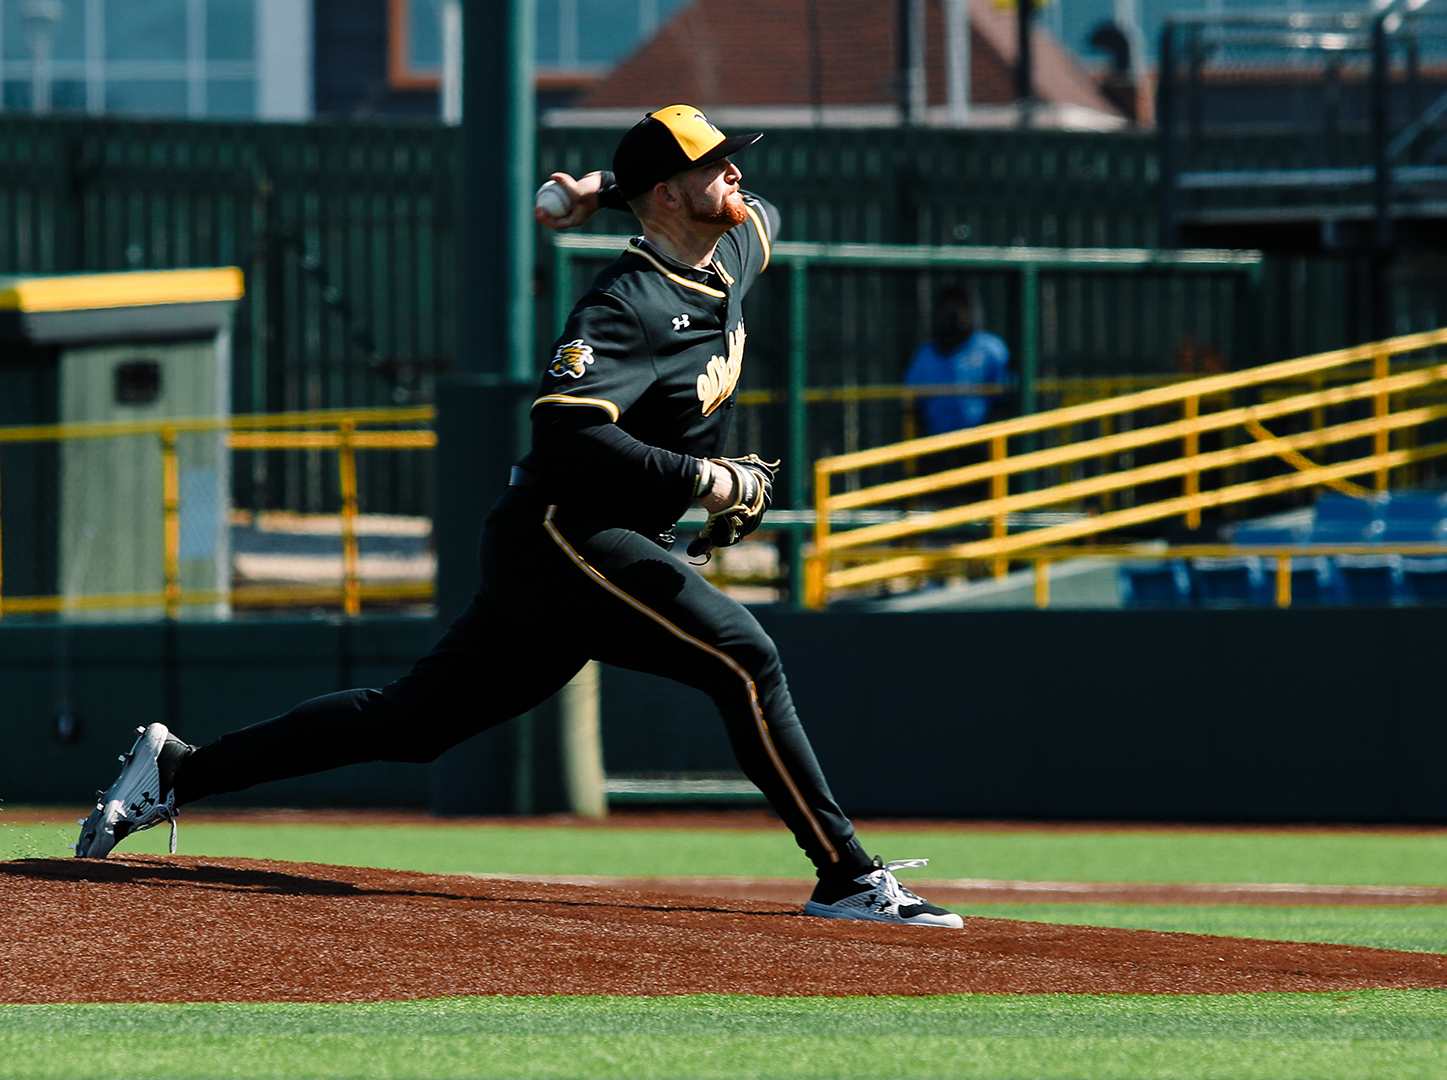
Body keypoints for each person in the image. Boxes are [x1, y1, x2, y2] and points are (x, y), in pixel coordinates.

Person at [73, 105, 963, 929]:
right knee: (745, 657)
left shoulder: (729, 250)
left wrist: (598, 188)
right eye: (714, 165)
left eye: (731, 160)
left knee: (414, 724)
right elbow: (567, 434)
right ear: (668, 194)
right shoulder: (624, 305)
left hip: (588, 546)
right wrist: (711, 481)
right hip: (563, 534)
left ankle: (181, 769)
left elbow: (762, 208)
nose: (735, 175)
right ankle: (847, 876)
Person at [904, 285, 1011, 436]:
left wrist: (986, 438)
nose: (955, 313)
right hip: (936, 443)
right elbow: (913, 406)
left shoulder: (991, 349)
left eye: (961, 306)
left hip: (983, 442)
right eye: (948, 307)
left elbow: (1003, 402)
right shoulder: (924, 355)